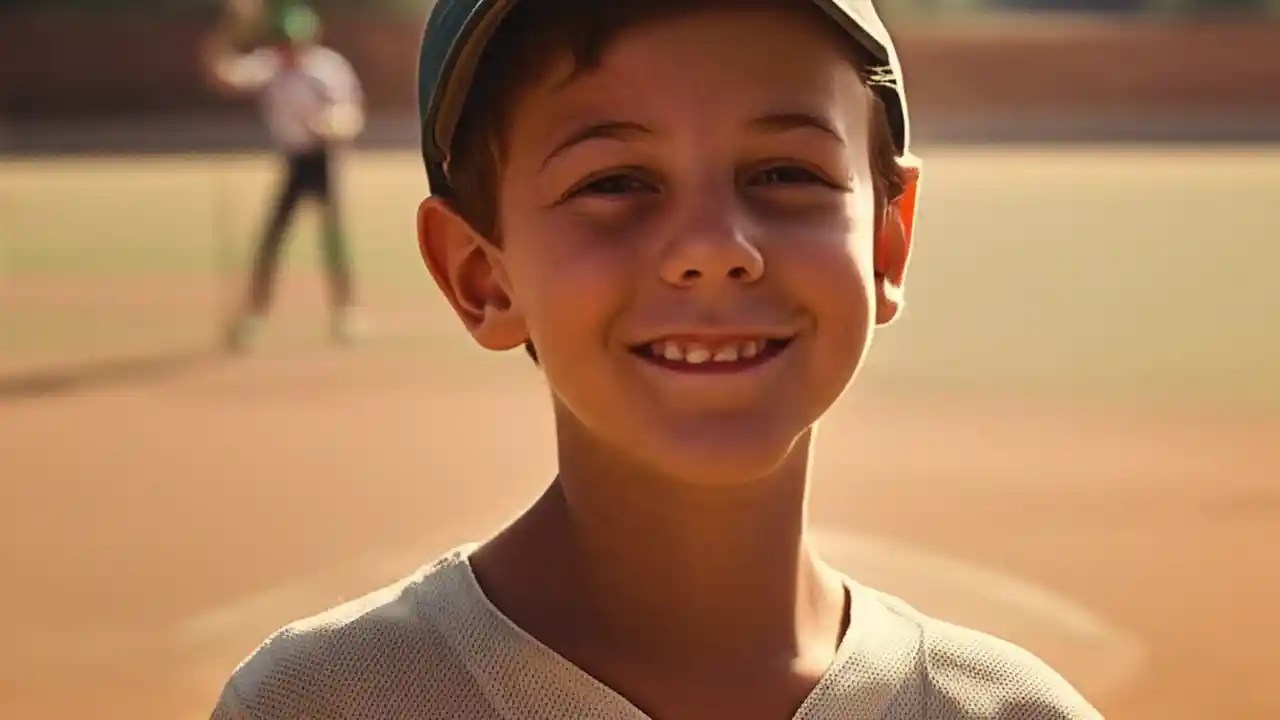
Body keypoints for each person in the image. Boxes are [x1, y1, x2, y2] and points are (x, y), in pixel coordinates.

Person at [209, 1, 1103, 718]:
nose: (713, 248)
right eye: (614, 183)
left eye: (785, 173)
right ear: (481, 277)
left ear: (888, 241)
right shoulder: (323, 704)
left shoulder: (1011, 711)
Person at [202, 0, 365, 350]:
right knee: (272, 238)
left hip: (323, 158)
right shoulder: (271, 66)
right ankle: (255, 313)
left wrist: (330, 123)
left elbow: (351, 113)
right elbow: (223, 75)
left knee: (333, 238)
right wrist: (227, 29)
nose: (287, 49)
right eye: (282, 41)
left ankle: (346, 310)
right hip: (294, 160)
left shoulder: (327, 69)